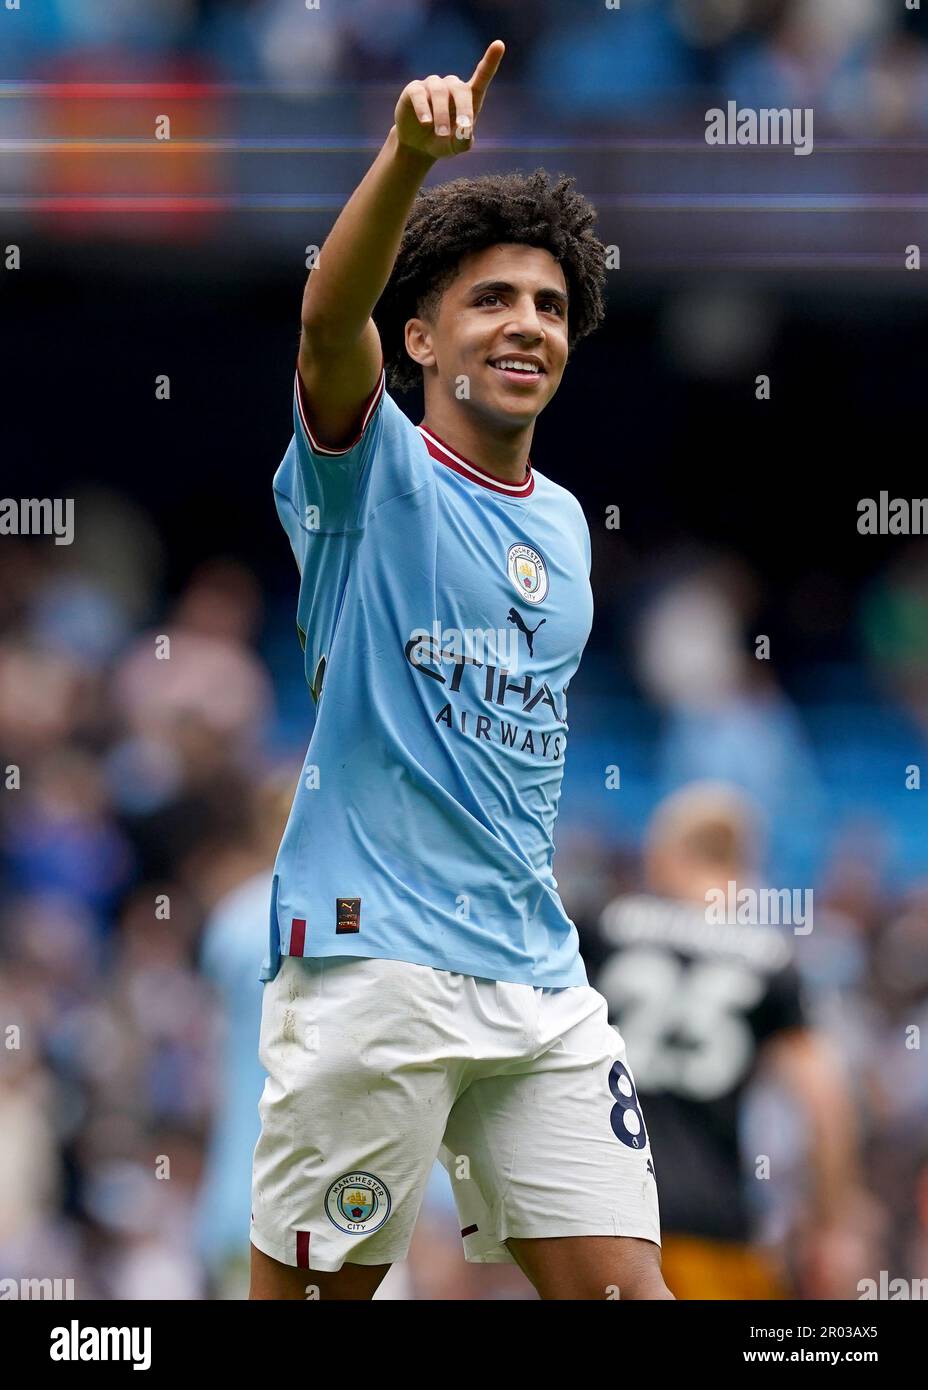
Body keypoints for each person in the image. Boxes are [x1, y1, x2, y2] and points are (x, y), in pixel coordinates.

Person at [249, 40, 671, 1301]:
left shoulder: (563, 524)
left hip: (538, 981)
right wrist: (409, 157)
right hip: (373, 971)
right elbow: (329, 317)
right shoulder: (367, 473)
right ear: (421, 338)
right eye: (491, 300)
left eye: (548, 306)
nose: (526, 325)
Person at [591, 782, 865, 1299]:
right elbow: (825, 1100)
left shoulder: (604, 927)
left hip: (600, 1218)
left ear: (663, 853)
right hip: (711, 1226)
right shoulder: (770, 959)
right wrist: (831, 1222)